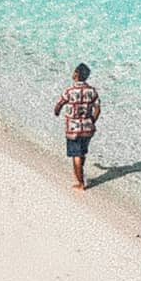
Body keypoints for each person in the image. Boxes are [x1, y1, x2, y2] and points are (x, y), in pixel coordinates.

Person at [54, 62, 101, 190]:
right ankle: (80, 172)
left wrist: (56, 112)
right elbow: (97, 108)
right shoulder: (92, 91)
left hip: (73, 129)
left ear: (76, 75)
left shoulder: (69, 91)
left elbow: (59, 104)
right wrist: (92, 121)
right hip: (87, 128)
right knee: (82, 153)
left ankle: (80, 183)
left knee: (76, 155)